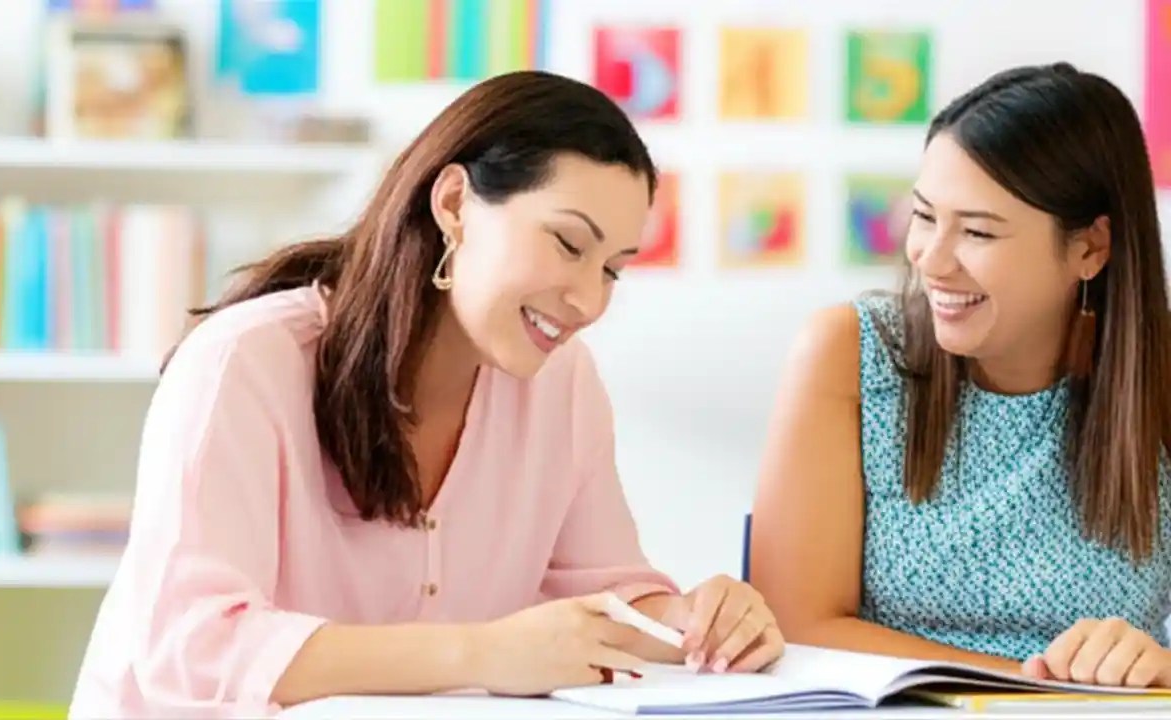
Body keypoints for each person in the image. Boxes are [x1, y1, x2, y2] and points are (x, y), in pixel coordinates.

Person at [69, 70, 784, 718]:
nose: (588, 300)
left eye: (613, 270)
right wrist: (483, 654)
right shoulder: (244, 365)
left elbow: (602, 594)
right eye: (569, 246)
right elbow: (193, 647)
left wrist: (697, 620)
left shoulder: (565, 387)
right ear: (453, 205)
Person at [751, 62, 1171, 689]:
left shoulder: (1158, 384)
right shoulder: (848, 353)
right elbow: (796, 622)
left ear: (1090, 248)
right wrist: (1042, 686)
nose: (931, 259)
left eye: (976, 231)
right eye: (924, 216)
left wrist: (1160, 670)